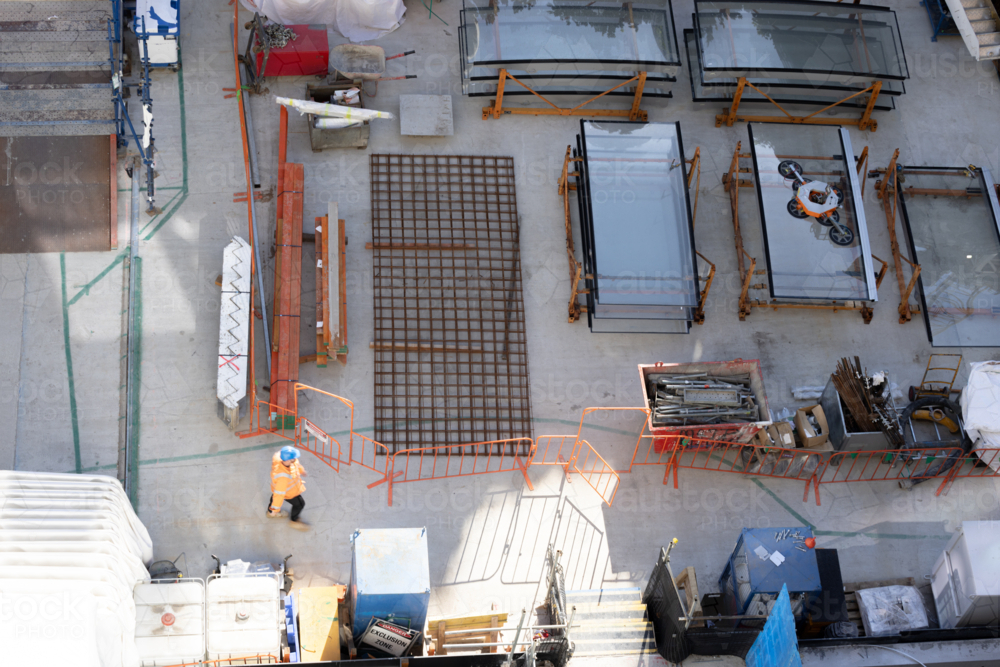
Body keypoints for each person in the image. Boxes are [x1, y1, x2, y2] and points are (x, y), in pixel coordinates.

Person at [267, 445, 310, 531]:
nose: (295, 459)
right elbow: (279, 494)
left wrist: (301, 470)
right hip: (289, 493)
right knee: (300, 504)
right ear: (287, 460)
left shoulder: (280, 457)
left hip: (276, 487)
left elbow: (296, 464)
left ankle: (270, 511)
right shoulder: (283, 477)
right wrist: (275, 509)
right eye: (293, 458)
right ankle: (293, 521)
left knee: (273, 497)